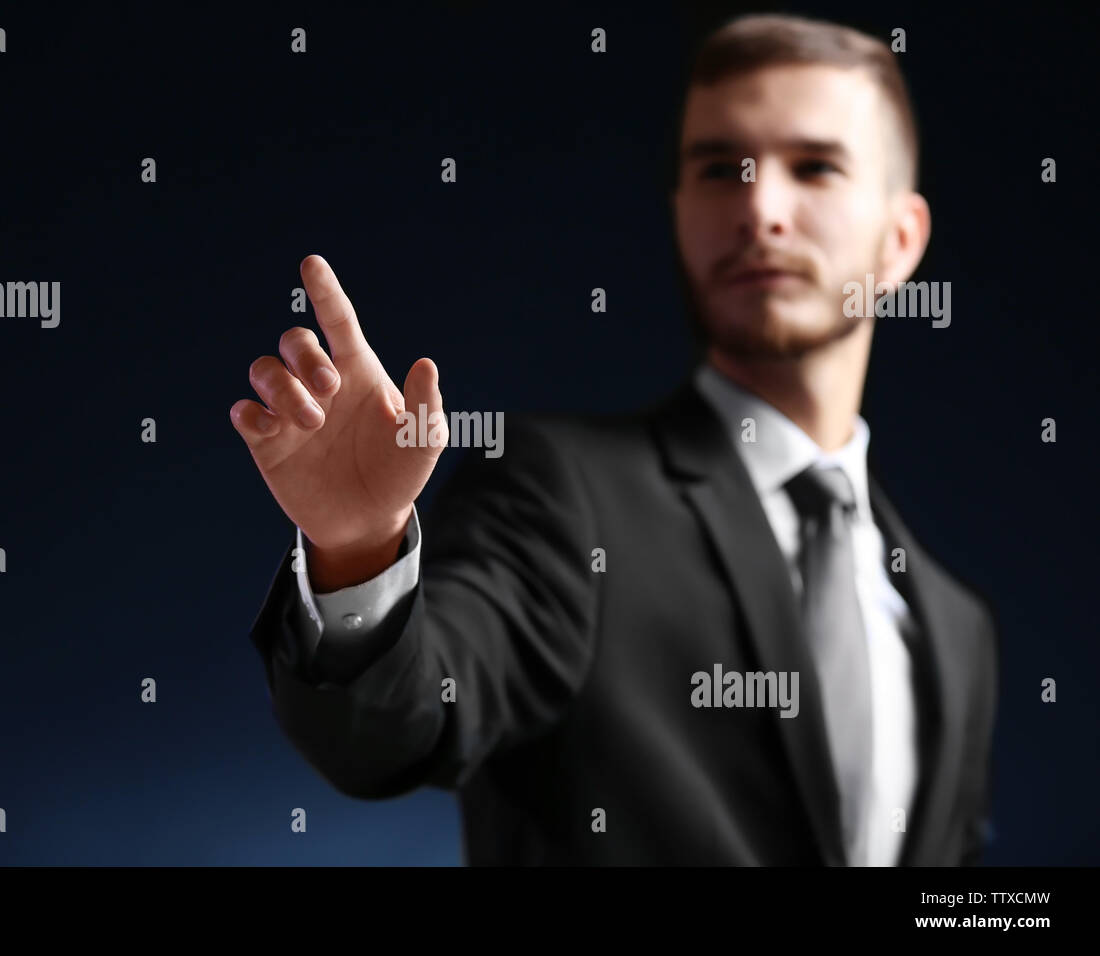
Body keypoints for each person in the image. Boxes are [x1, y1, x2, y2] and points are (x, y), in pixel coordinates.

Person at [229, 13, 998, 866]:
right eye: (720, 169)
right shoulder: (562, 496)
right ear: (680, 213)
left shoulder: (957, 630)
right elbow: (398, 729)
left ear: (901, 240)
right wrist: (358, 552)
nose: (759, 208)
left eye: (815, 166)